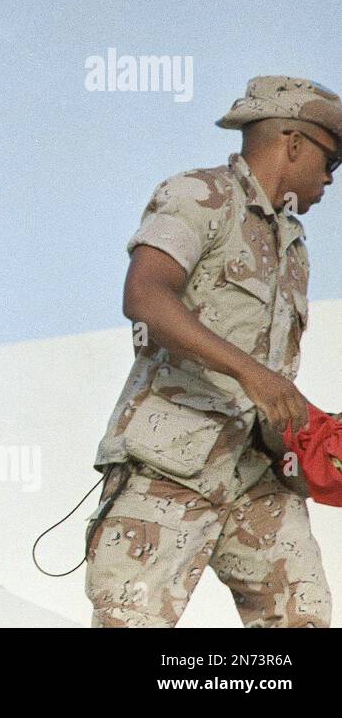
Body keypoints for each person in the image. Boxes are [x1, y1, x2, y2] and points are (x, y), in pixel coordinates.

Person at [85, 75, 339, 627]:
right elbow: (145, 294)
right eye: (331, 161)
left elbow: (268, 376)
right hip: (171, 463)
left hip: (257, 473)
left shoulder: (292, 243)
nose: (328, 179)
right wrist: (254, 376)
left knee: (305, 620)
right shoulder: (200, 196)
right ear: (293, 142)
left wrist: (306, 427)